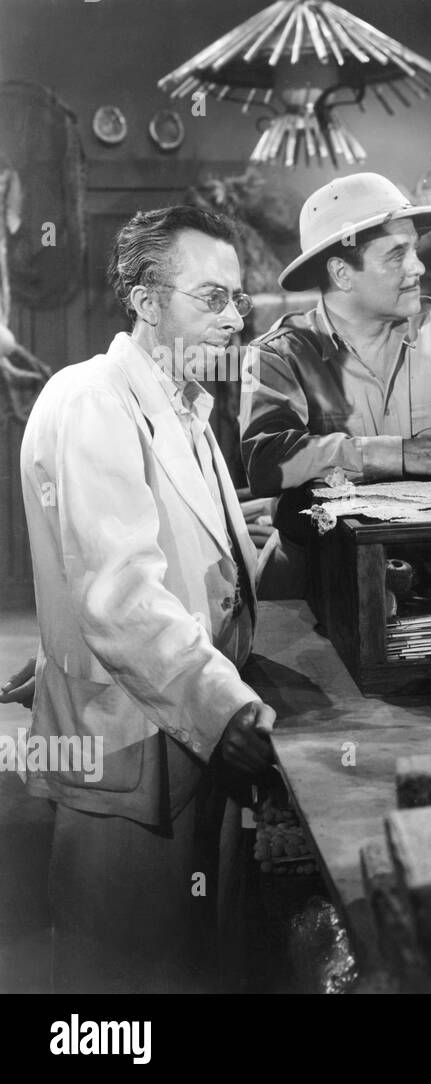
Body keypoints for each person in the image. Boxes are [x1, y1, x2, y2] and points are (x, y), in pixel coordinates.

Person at [20, 205, 276, 992]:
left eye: (238, 299)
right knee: (119, 974)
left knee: (188, 960)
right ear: (144, 298)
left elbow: (165, 554)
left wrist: (240, 546)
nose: (234, 319)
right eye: (212, 298)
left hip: (174, 725)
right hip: (128, 735)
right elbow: (119, 593)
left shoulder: (186, 404)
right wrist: (224, 707)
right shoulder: (93, 397)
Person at [239, 173, 431, 591]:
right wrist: (397, 455)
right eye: (396, 255)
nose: (418, 267)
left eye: (416, 250)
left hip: (427, 579)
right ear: (342, 273)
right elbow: (266, 460)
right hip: (307, 582)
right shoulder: (280, 354)